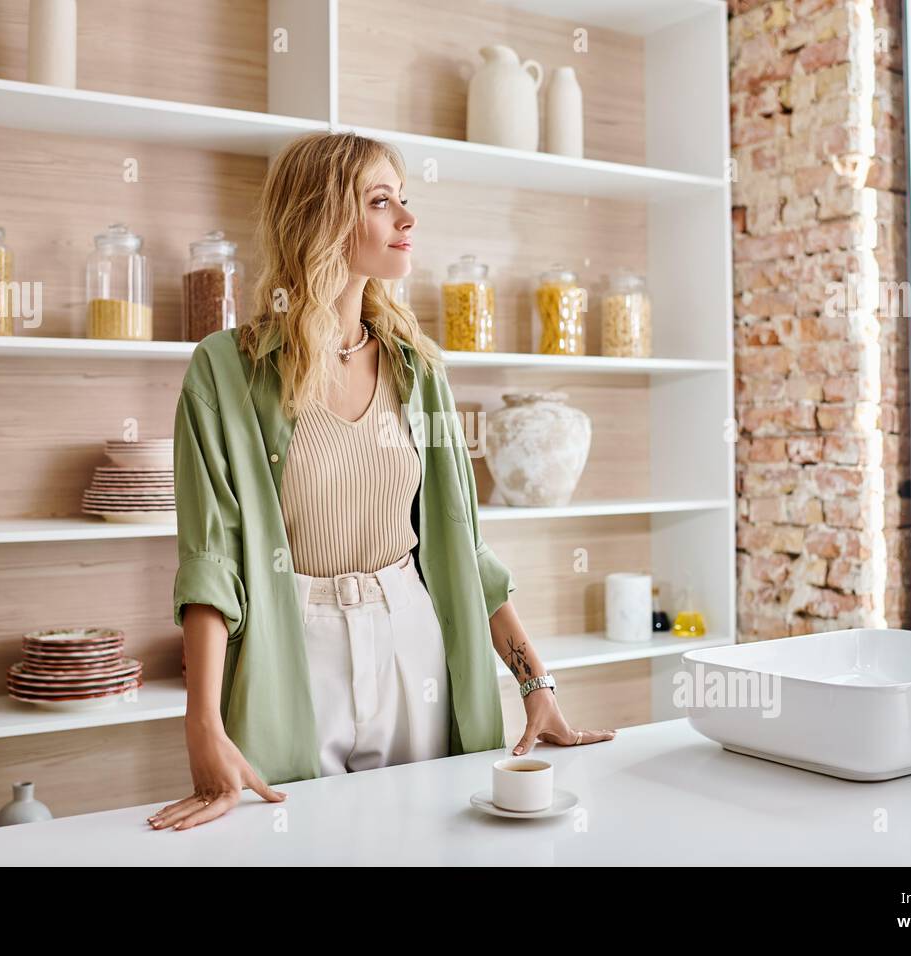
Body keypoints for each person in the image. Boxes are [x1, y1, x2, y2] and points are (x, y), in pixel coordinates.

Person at [149, 131, 615, 832]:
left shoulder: (418, 370)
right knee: (294, 841)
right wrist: (203, 727)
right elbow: (210, 567)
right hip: (293, 647)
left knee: (428, 837)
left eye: (405, 199)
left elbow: (462, 545)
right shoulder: (226, 370)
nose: (407, 218)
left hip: (411, 641)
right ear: (321, 217)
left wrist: (534, 682)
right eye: (380, 201)